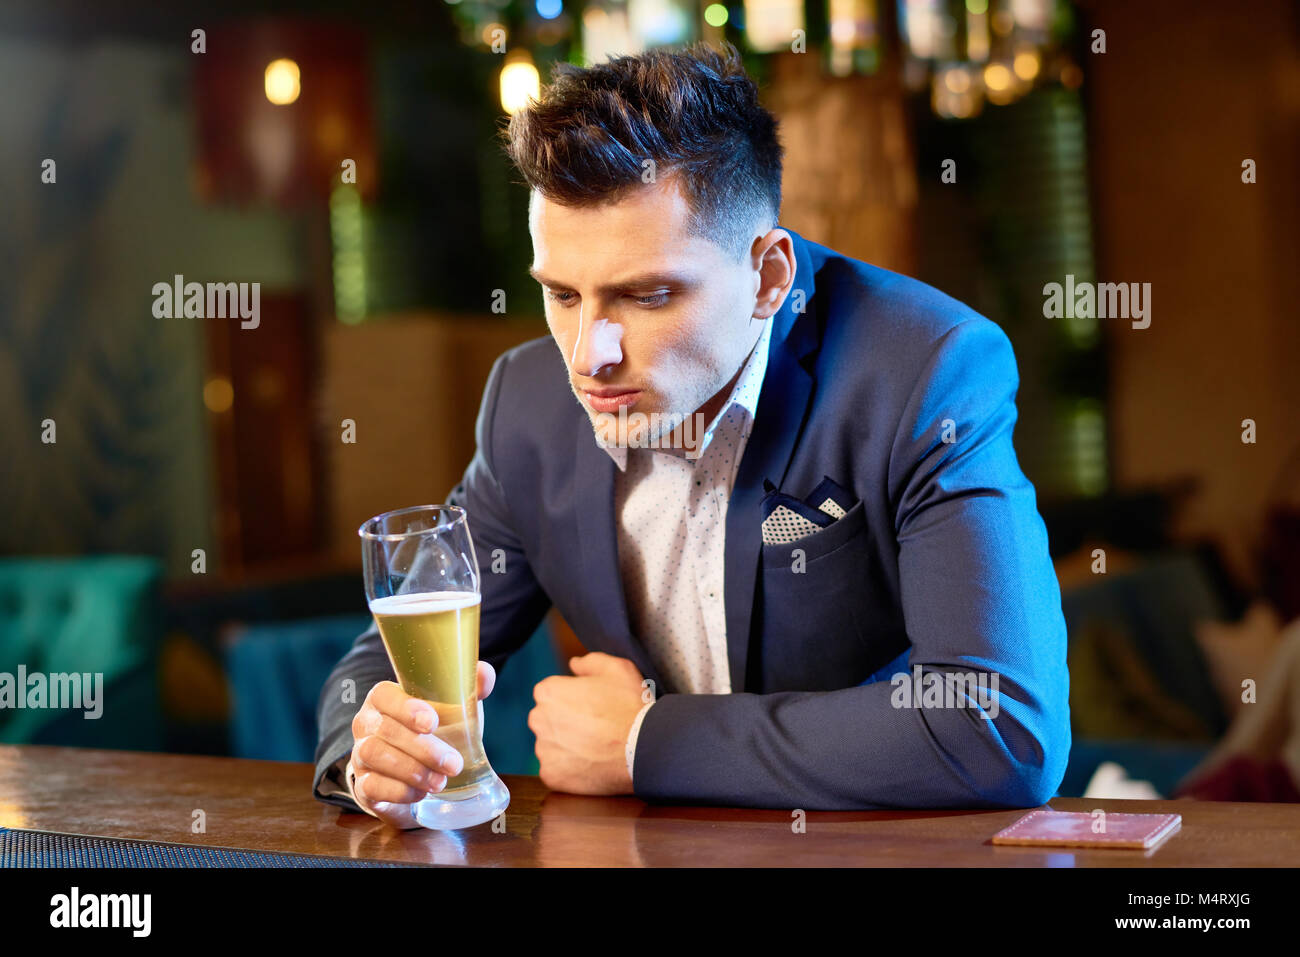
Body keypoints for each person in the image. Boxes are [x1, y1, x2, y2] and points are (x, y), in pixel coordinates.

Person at [313, 41, 1070, 829]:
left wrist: (643, 741)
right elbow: (378, 665)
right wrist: (370, 752)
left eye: (644, 295)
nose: (587, 356)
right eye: (563, 294)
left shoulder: (924, 371)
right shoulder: (526, 405)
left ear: (769, 278)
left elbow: (1002, 720)